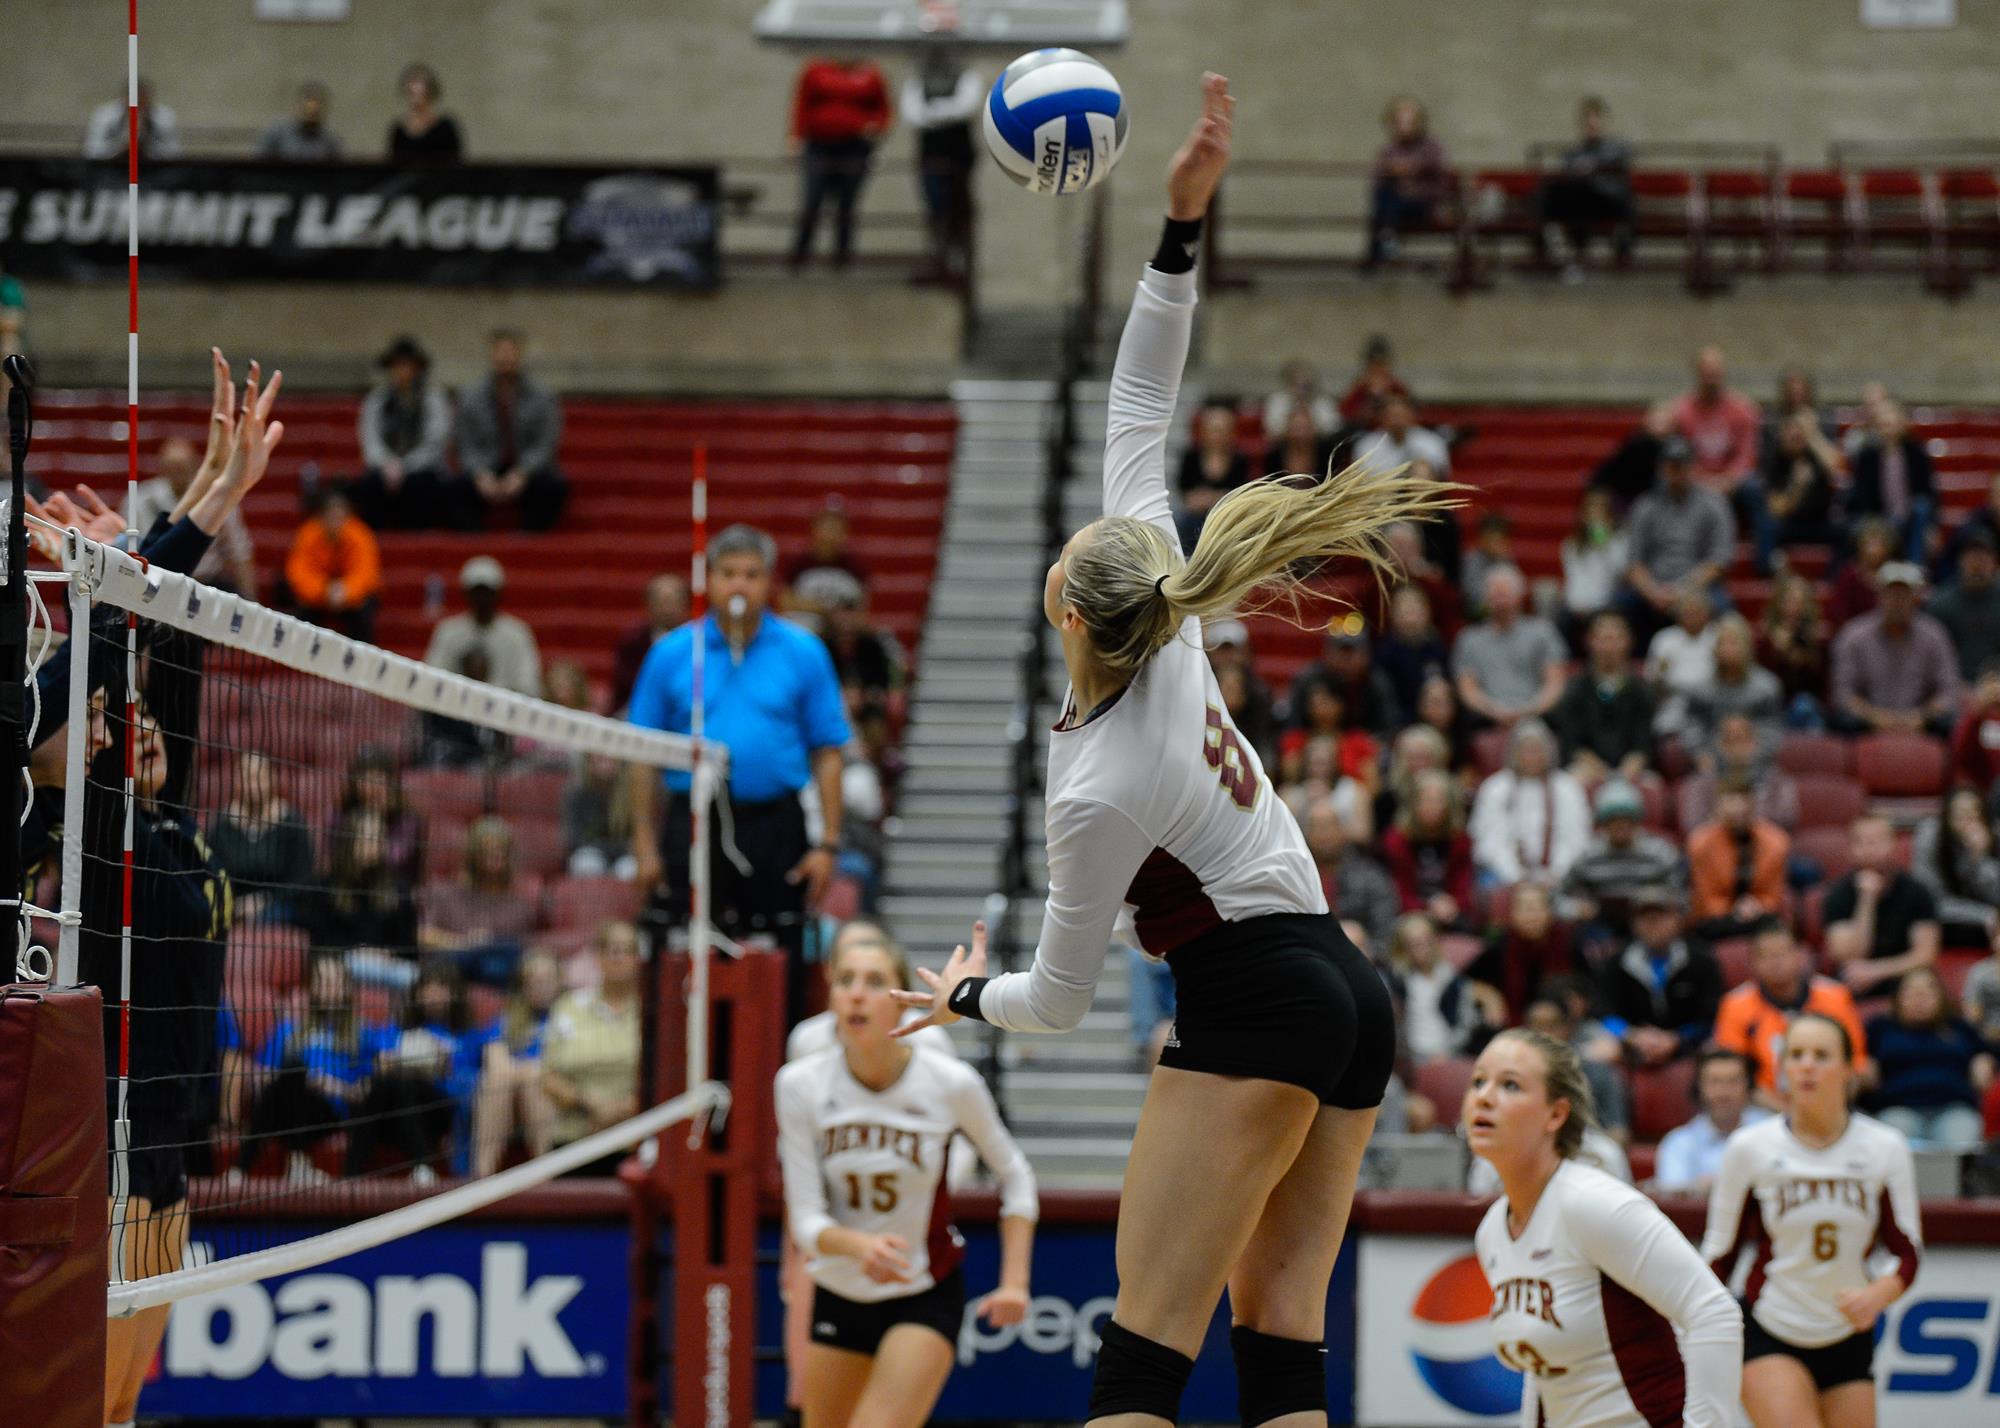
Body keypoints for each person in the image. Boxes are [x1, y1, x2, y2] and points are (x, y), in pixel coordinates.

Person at [890, 78, 1449, 1428]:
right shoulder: (1170, 618)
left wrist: (962, 1002)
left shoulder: (1094, 784)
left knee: (1143, 1359)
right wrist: (1180, 225)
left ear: (1062, 610)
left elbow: (1065, 1002)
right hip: (1345, 989)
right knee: (1279, 1354)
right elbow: (1143, 389)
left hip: (1257, 1003)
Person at [80, 360, 284, 1428]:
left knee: (125, 1400)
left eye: (152, 722)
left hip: (173, 1130)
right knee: (88, 1390)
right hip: (108, 1129)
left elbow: (177, 646)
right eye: (125, 726)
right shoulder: (99, 833)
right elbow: (110, 650)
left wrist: (221, 487)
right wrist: (175, 522)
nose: (145, 730)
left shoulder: (174, 816)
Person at [778, 931, 1037, 1428]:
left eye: (875, 982)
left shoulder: (949, 1082)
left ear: (903, 1000)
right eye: (846, 980)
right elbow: (806, 1218)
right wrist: (857, 1246)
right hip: (837, 1286)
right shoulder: (799, 1083)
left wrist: (1015, 1283)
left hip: (923, 1287)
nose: (856, 993)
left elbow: (1016, 1176)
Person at [629, 524, 853, 1017]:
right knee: (688, 951)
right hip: (691, 824)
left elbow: (828, 751)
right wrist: (644, 846)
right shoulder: (671, 654)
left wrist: (828, 842)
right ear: (708, 579)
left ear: (769, 581)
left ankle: (778, 1070)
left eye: (751, 575)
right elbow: (641, 757)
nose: (739, 585)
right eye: (728, 573)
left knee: (781, 952)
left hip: (776, 825)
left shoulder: (803, 651)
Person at [1466, 1031, 1742, 1426]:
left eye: (1509, 1085)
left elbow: (1714, 1313)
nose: (1484, 1097)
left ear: (1556, 1115)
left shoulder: (1593, 1203)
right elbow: (1543, 1373)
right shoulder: (1492, 1230)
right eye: (1478, 1081)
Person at [1703, 1014, 1921, 1428]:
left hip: (1848, 1335)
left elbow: (1907, 1253)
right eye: (1796, 1055)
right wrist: (1701, 1328)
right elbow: (1718, 1254)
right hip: (1771, 1326)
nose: (1806, 1065)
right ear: (1782, 1069)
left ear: (1847, 1069)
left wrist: (1880, 1293)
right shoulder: (1750, 1147)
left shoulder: (1884, 1147)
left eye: (1821, 1055)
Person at [1712, 917, 1867, 1107]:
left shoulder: (1835, 995)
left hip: (1833, 1102)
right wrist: (1788, 1114)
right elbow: (1733, 1074)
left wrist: (1830, 1107)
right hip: (1764, 1107)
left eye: (1782, 953)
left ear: (1800, 955)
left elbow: (1855, 1062)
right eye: (1766, 955)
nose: (1775, 962)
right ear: (1752, 963)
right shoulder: (1735, 1004)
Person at [540, 922, 644, 1172]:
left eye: (627, 950)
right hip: (574, 1139)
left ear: (638, 958)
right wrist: (593, 1106)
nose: (619, 958)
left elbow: (667, 1080)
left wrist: (624, 1109)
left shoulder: (653, 1010)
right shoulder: (568, 1007)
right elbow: (548, 1078)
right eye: (611, 950)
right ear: (598, 957)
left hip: (637, 1140)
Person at [1621, 434, 1736, 644]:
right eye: (1672, 465)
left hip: (1699, 587)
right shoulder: (1645, 506)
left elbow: (1719, 562)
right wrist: (1653, 592)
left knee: (1724, 610)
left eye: (1682, 465)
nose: (1677, 471)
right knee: (1615, 610)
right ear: (1662, 468)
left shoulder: (1714, 504)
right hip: (1653, 588)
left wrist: (1683, 590)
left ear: (1693, 466)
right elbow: (1634, 563)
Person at [1865, 966, 1993, 1150]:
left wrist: (1983, 1061)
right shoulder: (1881, 1028)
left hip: (1954, 1108)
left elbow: (1985, 1055)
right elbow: (1860, 1060)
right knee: (1894, 1146)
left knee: (1962, 1147)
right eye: (1911, 991)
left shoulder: (1960, 1028)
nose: (1920, 997)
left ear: (1941, 997)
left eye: (1928, 990)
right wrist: (1865, 1068)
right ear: (1897, 998)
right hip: (1899, 1107)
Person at [1829, 561, 1961, 736]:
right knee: (1843, 721)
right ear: (1879, 596)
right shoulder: (1853, 635)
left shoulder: (1935, 635)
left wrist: (1921, 717)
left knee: (1949, 723)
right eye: (1891, 594)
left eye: (1904, 594)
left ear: (1915, 598)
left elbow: (1949, 691)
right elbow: (1842, 693)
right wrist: (1875, 717)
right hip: (1866, 722)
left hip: (1921, 722)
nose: (1897, 601)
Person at [1596, 888, 1724, 1065]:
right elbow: (1603, 1011)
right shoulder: (1616, 963)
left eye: (1660, 915)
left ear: (1678, 918)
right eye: (1644, 917)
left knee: (1719, 1048)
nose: (1652, 923)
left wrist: (1676, 1038)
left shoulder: (1700, 959)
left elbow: (1712, 1014)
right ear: (1633, 923)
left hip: (1689, 1042)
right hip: (1632, 1043)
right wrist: (1630, 1034)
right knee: (1600, 1049)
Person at [455, 329, 567, 531]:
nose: (505, 358)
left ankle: (530, 535)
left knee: (553, 486)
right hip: (486, 467)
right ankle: (474, 537)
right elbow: (464, 443)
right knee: (454, 487)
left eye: (510, 352)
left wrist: (523, 473)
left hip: (526, 468)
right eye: (500, 352)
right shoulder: (470, 396)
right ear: (492, 355)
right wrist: (480, 473)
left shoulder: (542, 395)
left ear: (520, 355)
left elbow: (546, 442)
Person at [788, 55, 892, 267]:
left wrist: (876, 126)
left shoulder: (870, 74)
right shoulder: (815, 70)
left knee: (847, 202)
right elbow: (802, 104)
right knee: (813, 199)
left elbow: (882, 109)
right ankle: (800, 256)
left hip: (855, 146)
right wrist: (796, 136)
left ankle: (842, 258)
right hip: (819, 144)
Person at [1823, 814, 1942, 998]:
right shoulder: (1837, 894)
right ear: (1850, 849)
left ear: (1894, 844)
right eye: (1860, 841)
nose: (1869, 848)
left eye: (1876, 841)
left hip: (1901, 976)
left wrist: (1876, 970)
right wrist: (1866, 900)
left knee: (1923, 984)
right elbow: (1849, 955)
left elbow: (1925, 955)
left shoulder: (1917, 891)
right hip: (1855, 979)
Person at [419, 816, 542, 987]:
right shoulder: (443, 893)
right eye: (486, 851)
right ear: (472, 855)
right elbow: (423, 935)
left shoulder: (519, 905)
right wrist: (465, 943)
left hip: (500, 972)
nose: (494, 859)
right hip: (453, 968)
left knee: (499, 962)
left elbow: (522, 952)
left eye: (500, 851)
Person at [126, 435, 258, 595]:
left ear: (195, 465)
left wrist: (250, 599)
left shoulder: (219, 497)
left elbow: (239, 552)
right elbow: (128, 545)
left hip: (206, 584)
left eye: (182, 467)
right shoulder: (141, 498)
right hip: (155, 582)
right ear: (162, 467)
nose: (177, 473)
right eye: (172, 467)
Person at [1469, 718, 1593, 888]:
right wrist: (1515, 877)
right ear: (1514, 753)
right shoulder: (1495, 788)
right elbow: (1489, 842)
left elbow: (1577, 839)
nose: (1532, 757)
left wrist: (1556, 873)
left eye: (1537, 750)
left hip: (1559, 878)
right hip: (1505, 878)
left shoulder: (1567, 787)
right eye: (1526, 750)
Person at [1559, 778, 1685, 942]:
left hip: (1652, 926)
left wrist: (1658, 901)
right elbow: (1557, 897)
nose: (1620, 827)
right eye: (1613, 821)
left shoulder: (1660, 854)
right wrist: (1576, 909)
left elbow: (1682, 896)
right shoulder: (1588, 856)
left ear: (1636, 821)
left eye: (1626, 820)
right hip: (1600, 929)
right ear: (1603, 824)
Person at [472, 950, 561, 1177]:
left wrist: (529, 1072)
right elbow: (496, 1063)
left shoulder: (571, 1016)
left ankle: (545, 1172)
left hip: (553, 1094)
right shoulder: (507, 1019)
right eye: (532, 980)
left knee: (534, 1080)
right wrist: (527, 1071)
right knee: (495, 1080)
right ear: (523, 985)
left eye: (546, 980)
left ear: (560, 982)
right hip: (507, 1097)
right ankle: (482, 1176)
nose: (539, 986)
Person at [353, 335, 457, 530]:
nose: (403, 371)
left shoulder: (433, 399)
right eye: (398, 366)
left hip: (422, 468)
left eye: (407, 366)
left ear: (417, 369)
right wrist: (387, 464)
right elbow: (370, 440)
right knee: (369, 485)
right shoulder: (377, 400)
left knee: (422, 485)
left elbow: (435, 441)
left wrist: (405, 467)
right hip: (385, 469)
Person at [207, 751, 316, 928]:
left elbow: (301, 879)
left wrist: (263, 901)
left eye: (259, 776)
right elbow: (213, 875)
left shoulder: (292, 823)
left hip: (280, 908)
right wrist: (236, 904)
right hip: (232, 907)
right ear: (237, 781)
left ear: (272, 779)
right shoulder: (221, 826)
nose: (253, 784)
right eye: (246, 777)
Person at [901, 47, 980, 279]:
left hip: (959, 155)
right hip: (931, 155)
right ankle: (939, 255)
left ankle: (957, 257)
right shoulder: (918, 79)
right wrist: (944, 112)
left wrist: (933, 113)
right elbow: (913, 114)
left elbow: (966, 108)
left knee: (959, 206)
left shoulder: (965, 75)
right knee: (935, 206)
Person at [1453, 566, 1567, 727]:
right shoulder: (1469, 639)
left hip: (1536, 718)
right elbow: (1467, 689)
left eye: (1504, 594)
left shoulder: (1543, 633)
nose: (1499, 601)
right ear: (1485, 599)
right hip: (1486, 720)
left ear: (1519, 596)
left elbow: (1555, 683)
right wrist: (1495, 712)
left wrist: (1528, 711)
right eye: (1494, 595)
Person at [1550, 609, 1652, 782]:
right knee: (1570, 782)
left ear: (1629, 641)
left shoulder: (1641, 690)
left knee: (1650, 787)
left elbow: (1644, 743)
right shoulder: (1574, 689)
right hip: (1584, 766)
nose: (1609, 646)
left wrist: (1630, 767)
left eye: (1616, 639)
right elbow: (1571, 742)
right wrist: (1596, 768)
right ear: (1589, 641)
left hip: (1631, 767)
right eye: (1603, 639)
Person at [1651, 1048, 1771, 1194]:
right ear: (1699, 1088)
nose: (1723, 1092)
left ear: (1749, 1086)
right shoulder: (1678, 1142)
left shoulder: (1771, 1133)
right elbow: (1673, 1198)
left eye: (1733, 1081)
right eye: (1714, 1082)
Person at [1537, 95, 1633, 276]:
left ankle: (1554, 240)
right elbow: (1565, 176)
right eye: (1587, 119)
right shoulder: (1572, 153)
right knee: (1549, 191)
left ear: (1604, 121)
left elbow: (1621, 186)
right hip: (1579, 205)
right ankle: (1547, 239)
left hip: (1608, 203)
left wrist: (1592, 172)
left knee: (1574, 193)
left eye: (1595, 118)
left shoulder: (1617, 150)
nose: (1591, 123)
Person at [424, 555, 545, 698]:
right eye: (477, 592)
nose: (482, 599)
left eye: (487, 592)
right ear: (467, 593)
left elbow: (528, 685)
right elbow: (431, 679)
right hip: (454, 711)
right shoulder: (448, 631)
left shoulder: (517, 633)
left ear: (498, 593)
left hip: (503, 713)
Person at [1686, 775, 1791, 937]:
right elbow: (1705, 898)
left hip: (1758, 914)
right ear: (1718, 807)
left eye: (1742, 803)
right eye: (1730, 802)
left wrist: (1758, 906)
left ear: (1752, 805)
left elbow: (1773, 894)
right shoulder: (1701, 844)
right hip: (1715, 918)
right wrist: (1733, 909)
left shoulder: (1776, 843)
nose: (1737, 811)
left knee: (1775, 929)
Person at [1467, 881, 1581, 1026]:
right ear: (1512, 914)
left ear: (1550, 912)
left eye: (1537, 908)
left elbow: (1589, 989)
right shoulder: (1500, 947)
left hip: (1561, 1026)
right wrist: (1489, 996)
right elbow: (1465, 983)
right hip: (1513, 1026)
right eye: (1524, 909)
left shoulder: (1569, 943)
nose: (1531, 915)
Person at [1388, 912, 1492, 1063]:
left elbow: (1466, 1022)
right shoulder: (1397, 982)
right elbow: (1396, 1029)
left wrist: (1447, 1052)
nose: (1423, 948)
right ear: (1404, 949)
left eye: (1427, 941)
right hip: (1412, 1058)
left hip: (1451, 1053)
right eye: (1415, 944)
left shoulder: (1451, 977)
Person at [283, 485, 381, 640]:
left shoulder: (360, 535)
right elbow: (298, 573)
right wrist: (324, 590)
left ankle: (362, 661)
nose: (336, 520)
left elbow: (366, 574)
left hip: (349, 597)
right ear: (321, 516)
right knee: (301, 614)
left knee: (363, 613)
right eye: (331, 515)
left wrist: (346, 591)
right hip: (319, 596)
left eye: (340, 515)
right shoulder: (308, 535)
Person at [1381, 767, 1474, 928]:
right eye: (1427, 800)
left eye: (1439, 800)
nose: (1433, 806)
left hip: (1449, 910)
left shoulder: (1460, 840)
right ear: (1414, 804)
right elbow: (1398, 890)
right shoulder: (1396, 840)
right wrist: (1426, 908)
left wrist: (1452, 904)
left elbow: (1463, 885)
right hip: (1410, 912)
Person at [1304, 794, 1400, 950]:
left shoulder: (1370, 875)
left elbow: (1386, 929)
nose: (1324, 834)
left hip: (1362, 959)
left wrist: (1368, 953)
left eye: (1329, 825)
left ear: (1343, 831)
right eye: (1318, 827)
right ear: (1306, 834)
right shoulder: (1296, 877)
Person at [1366, 94, 1452, 267]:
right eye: (1400, 122)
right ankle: (1387, 239)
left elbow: (1439, 181)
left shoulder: (1431, 148)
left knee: (1387, 205)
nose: (1404, 126)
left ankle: (1382, 245)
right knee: (1385, 196)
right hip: (1395, 204)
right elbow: (1375, 182)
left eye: (1409, 121)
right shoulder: (1389, 150)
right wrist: (1391, 171)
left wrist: (1414, 170)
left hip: (1422, 206)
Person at [1680, 711, 1801, 832]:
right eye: (1730, 741)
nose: (1737, 747)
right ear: (1720, 745)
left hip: (1764, 844)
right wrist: (1722, 818)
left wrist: (1747, 816)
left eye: (1742, 739)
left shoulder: (1777, 779)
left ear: (1754, 743)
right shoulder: (1701, 782)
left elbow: (1789, 817)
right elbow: (1692, 823)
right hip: (1715, 844)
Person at [1847, 400, 1936, 562]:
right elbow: (1862, 495)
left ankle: (1915, 567)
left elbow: (1929, 492)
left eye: (1891, 423)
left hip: (1910, 517)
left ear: (1902, 424)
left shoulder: (1916, 453)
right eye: (1884, 424)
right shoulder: (1867, 456)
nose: (1888, 428)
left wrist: (1932, 526)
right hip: (1880, 517)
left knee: (1921, 507)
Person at [1686, 611, 1783, 759]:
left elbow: (1773, 730)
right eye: (1722, 643)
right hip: (1711, 762)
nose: (1727, 649)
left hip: (1756, 762)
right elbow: (1692, 728)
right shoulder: (1700, 690)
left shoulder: (1767, 687)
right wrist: (1701, 755)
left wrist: (1754, 754)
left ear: (1747, 646)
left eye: (1733, 642)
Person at [1911, 785, 2000, 940]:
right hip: (1945, 921)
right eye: (1958, 813)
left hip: (1988, 924)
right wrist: (1985, 914)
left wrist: (1980, 860)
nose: (1965, 820)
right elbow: (1930, 901)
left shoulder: (1993, 834)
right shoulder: (1931, 836)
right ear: (1946, 814)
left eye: (1973, 814)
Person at [1754, 411, 1840, 573]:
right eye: (1791, 433)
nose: (1795, 436)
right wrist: (1797, 487)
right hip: (1789, 524)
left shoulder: (1815, 455)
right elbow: (1776, 510)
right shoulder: (1775, 461)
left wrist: (1813, 434)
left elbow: (1836, 466)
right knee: (1767, 527)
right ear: (1781, 435)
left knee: (1847, 532)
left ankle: (1833, 580)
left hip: (1819, 522)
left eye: (1800, 433)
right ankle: (1768, 574)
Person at [1671, 345, 1762, 495]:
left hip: (1734, 482)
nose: (1711, 381)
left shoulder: (1744, 410)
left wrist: (1728, 481)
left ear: (1723, 373)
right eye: (1707, 374)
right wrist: (1702, 481)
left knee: (1752, 487)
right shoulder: (1681, 411)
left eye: (1715, 374)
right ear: (1697, 374)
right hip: (1693, 481)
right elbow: (1680, 455)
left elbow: (1746, 456)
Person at [1646, 587, 1720, 740]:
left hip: (1713, 706)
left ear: (1708, 613)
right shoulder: (1664, 639)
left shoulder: (1718, 637)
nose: (1692, 616)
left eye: (1697, 611)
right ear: (1678, 614)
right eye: (1687, 612)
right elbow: (1652, 683)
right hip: (1675, 705)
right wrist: (1660, 674)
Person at [1176, 400, 1252, 549]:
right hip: (1194, 518)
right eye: (1213, 430)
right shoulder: (1191, 456)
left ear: (1230, 432)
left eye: (1222, 430)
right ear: (1204, 431)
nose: (1217, 435)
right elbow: (1185, 493)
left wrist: (1207, 498)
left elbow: (1240, 494)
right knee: (1184, 521)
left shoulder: (1240, 458)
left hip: (1228, 516)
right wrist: (1216, 497)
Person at [610, 574, 691, 713]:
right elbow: (624, 687)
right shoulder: (632, 642)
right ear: (648, 604)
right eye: (662, 601)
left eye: (673, 601)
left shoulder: (700, 643)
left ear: (685, 604)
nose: (667, 609)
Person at [1927, 528, 2000, 679]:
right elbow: (1930, 660)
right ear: (1959, 561)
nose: (1977, 564)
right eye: (1972, 556)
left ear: (1994, 562)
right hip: (1952, 687)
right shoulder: (1940, 605)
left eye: (1983, 557)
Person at [1559, 488, 1629, 631]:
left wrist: (1604, 548)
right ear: (1583, 517)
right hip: (1577, 605)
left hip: (1607, 603)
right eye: (1591, 516)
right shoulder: (1571, 544)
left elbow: (1619, 576)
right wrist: (1577, 604)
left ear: (1609, 517)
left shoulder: (1619, 541)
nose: (1595, 521)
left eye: (1600, 516)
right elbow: (1574, 580)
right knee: (1563, 618)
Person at [1589, 400, 1677, 514]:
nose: (1661, 425)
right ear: (1647, 422)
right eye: (1657, 421)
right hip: (1627, 499)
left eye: (1665, 421)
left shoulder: (1676, 447)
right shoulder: (1635, 445)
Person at [1354, 391, 1452, 477]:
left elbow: (1441, 477)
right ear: (1381, 418)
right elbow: (1362, 481)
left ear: (1412, 415)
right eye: (1392, 415)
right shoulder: (1366, 445)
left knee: (1421, 469)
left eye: (1401, 415)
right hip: (1380, 494)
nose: (1397, 421)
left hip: (1421, 494)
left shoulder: (1432, 441)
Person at [83, 75, 180, 160]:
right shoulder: (105, 115)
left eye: (141, 100)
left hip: (154, 170)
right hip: (111, 169)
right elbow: (92, 150)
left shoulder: (164, 117)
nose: (137, 106)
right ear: (124, 97)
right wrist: (120, 148)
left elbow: (173, 152)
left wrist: (147, 148)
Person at [1825, 516, 1896, 632]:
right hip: (1855, 635)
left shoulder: (1895, 575)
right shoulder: (1849, 575)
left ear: (1887, 546)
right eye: (1870, 543)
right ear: (1861, 545)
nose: (1874, 549)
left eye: (1878, 543)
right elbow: (1838, 612)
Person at [387, 62, 463, 162]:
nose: (415, 97)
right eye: (411, 93)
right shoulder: (399, 130)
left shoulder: (445, 128)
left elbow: (454, 162)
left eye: (420, 92)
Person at [1334, 335, 1409, 430]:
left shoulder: (1396, 387)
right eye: (1374, 366)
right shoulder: (1360, 387)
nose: (1378, 371)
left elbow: (1410, 412)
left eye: (1381, 365)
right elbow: (1343, 412)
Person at [259, 81, 342, 160]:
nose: (310, 121)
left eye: (315, 115)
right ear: (298, 109)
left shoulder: (330, 141)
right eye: (308, 114)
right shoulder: (277, 133)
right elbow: (258, 160)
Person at [1265, 357, 1340, 440]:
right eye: (1296, 384)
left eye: (1306, 385)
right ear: (1289, 383)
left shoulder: (1324, 402)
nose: (1301, 390)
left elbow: (1334, 428)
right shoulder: (1277, 401)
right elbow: (1272, 430)